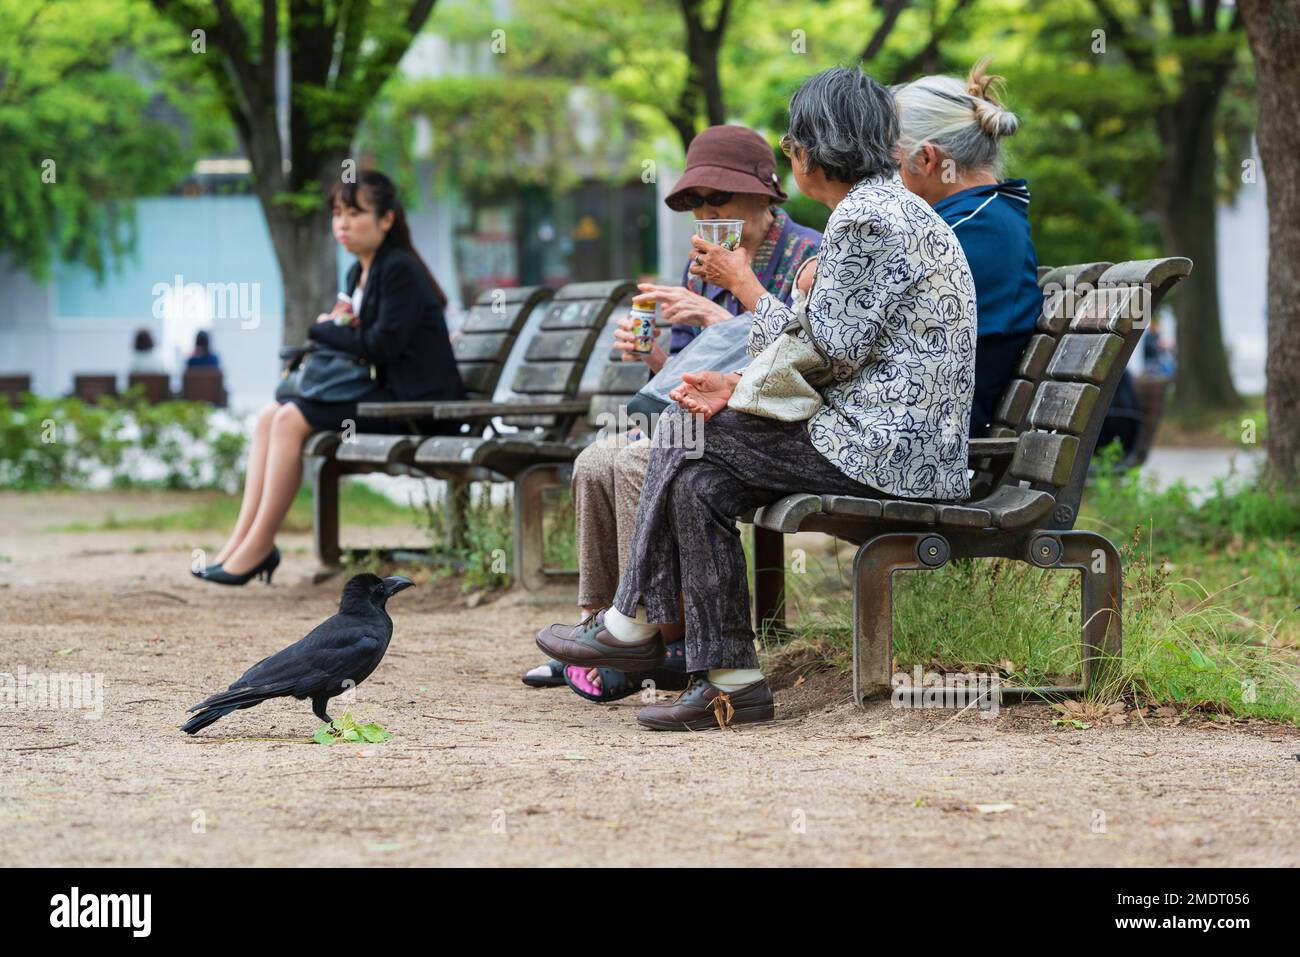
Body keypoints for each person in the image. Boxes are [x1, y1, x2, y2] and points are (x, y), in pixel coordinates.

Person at [537, 66, 977, 731]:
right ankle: (732, 679)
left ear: (809, 153)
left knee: (690, 434)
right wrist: (736, 384)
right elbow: (831, 347)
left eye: (792, 143)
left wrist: (738, 364)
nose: (791, 154)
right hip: (882, 435)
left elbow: (828, 352)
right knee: (703, 480)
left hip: (886, 449)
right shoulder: (884, 207)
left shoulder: (864, 216)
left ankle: (629, 622)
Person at [521, 124, 821, 700]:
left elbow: (803, 363)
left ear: (764, 193)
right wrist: (653, 354)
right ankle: (600, 624)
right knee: (594, 461)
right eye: (695, 202)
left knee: (637, 464)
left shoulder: (807, 256)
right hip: (699, 415)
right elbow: (689, 369)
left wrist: (720, 310)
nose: (706, 212)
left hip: (770, 427)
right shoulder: (702, 263)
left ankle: (665, 636)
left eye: (720, 197)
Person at [194, 170, 464, 586]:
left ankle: (259, 545)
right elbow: (365, 341)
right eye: (337, 213)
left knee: (288, 418)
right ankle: (242, 542)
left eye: (355, 213)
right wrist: (337, 328)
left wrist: (322, 328)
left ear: (386, 219)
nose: (343, 223)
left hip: (418, 405)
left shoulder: (399, 271)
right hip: (385, 395)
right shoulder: (358, 274)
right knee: (271, 414)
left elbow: (381, 346)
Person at [892, 59, 1038, 437]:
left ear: (926, 159)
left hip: (915, 439)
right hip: (910, 425)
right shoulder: (980, 217)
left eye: (892, 163)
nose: (889, 177)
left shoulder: (967, 228)